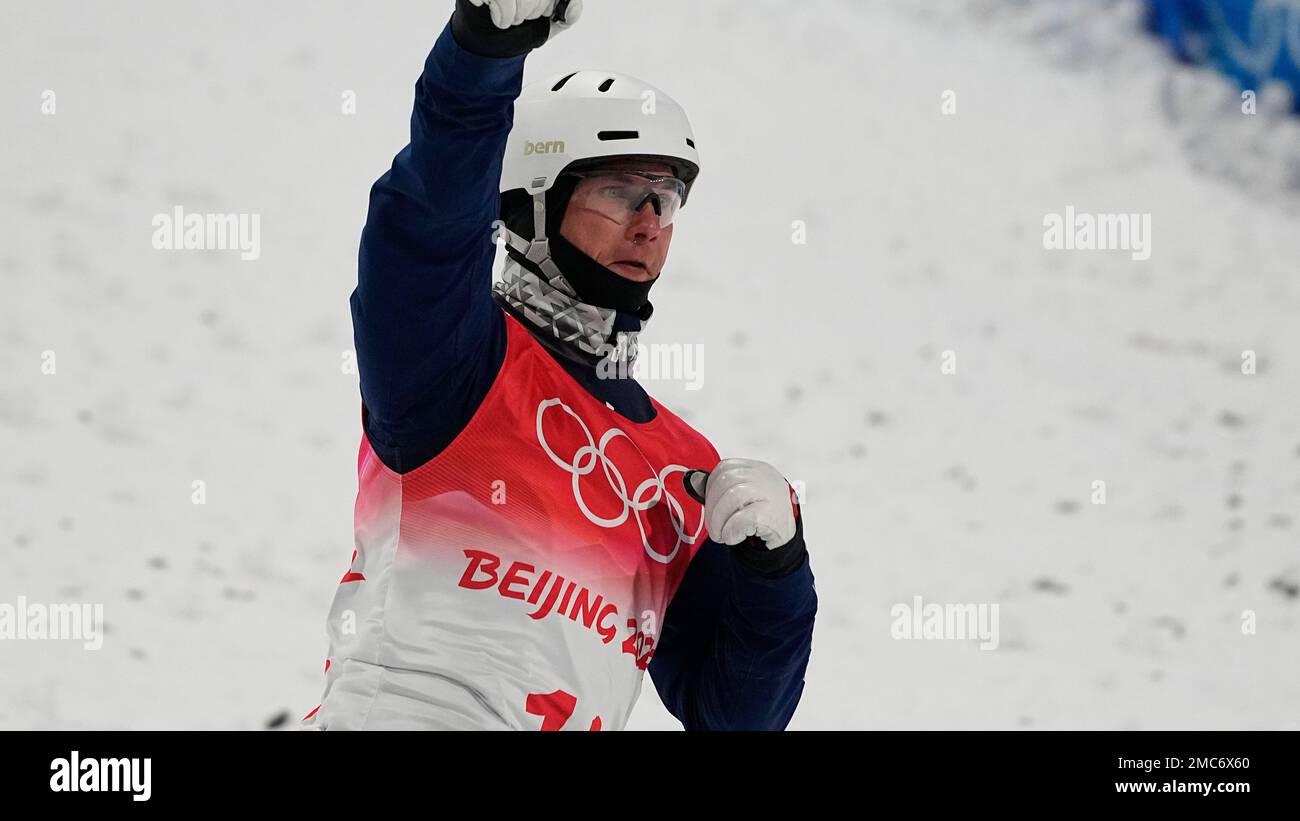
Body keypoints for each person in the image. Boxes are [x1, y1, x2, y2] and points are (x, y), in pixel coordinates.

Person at [302, 0, 817, 731]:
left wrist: (777, 575)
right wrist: (481, 54)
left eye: (665, 200)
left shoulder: (681, 466)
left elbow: (734, 714)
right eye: (617, 190)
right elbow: (426, 226)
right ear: (533, 203)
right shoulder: (455, 361)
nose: (649, 222)